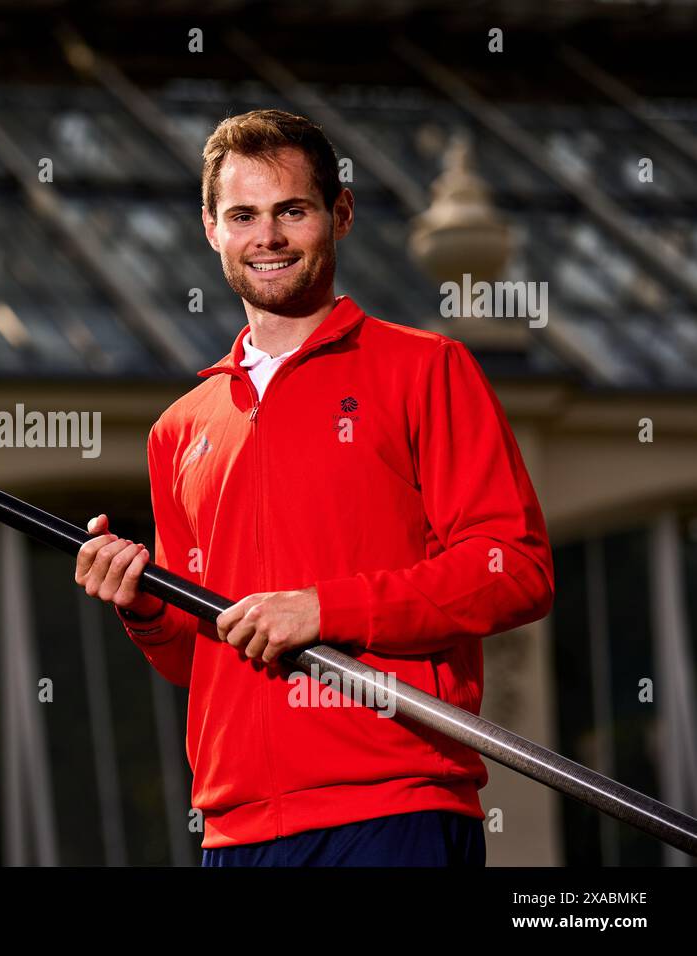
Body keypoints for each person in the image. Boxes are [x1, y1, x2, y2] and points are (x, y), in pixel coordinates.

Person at [73, 109, 554, 866]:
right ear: (211, 229)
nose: (266, 237)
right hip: (234, 832)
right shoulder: (179, 429)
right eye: (243, 215)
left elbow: (515, 569)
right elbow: (194, 658)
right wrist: (143, 607)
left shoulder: (426, 371)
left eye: (291, 211)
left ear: (340, 214)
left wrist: (327, 609)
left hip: (393, 809)